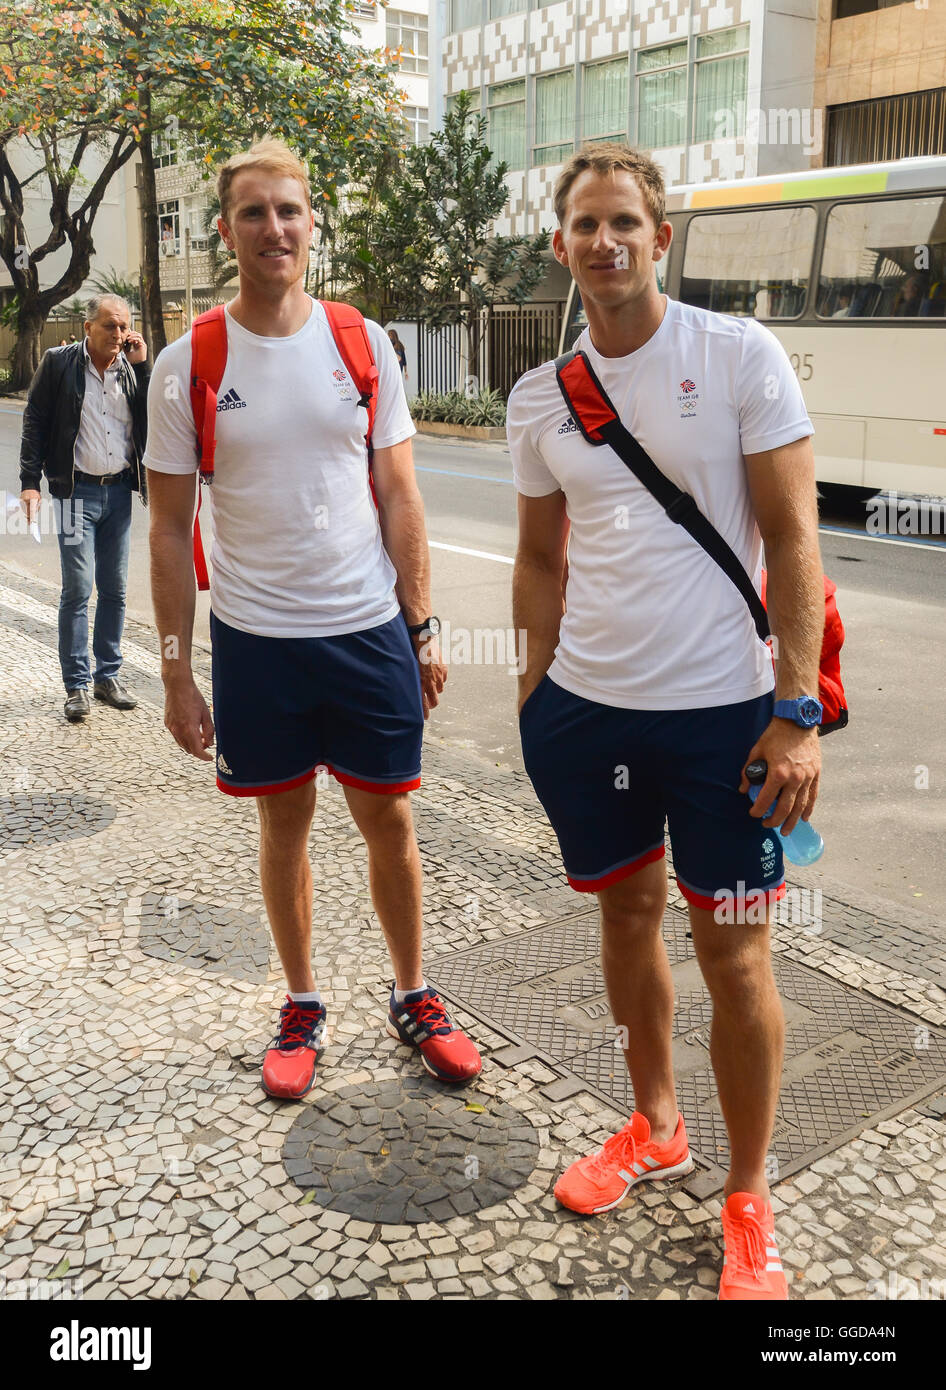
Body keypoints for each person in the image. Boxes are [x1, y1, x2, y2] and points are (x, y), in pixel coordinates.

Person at [508, 144, 824, 1301]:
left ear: (660, 236)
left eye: (625, 222)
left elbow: (792, 538)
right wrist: (535, 690)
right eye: (584, 224)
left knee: (734, 954)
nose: (605, 242)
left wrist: (796, 710)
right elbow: (539, 560)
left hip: (728, 722)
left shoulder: (736, 355)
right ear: (561, 245)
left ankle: (749, 1194)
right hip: (589, 719)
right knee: (627, 919)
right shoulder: (539, 397)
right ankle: (654, 1126)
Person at [144, 137, 481, 1101]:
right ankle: (301, 1004)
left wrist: (421, 626)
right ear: (226, 230)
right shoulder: (188, 362)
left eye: (288, 210)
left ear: (311, 222)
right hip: (256, 643)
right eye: (253, 212)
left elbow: (400, 494)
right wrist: (176, 670)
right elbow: (169, 530)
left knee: (391, 820)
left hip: (367, 631)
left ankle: (414, 994)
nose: (274, 228)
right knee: (283, 827)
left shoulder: (361, 341)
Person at [19, 294, 149, 721]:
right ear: (88, 326)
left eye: (124, 326)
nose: (119, 334)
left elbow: (151, 421)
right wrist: (29, 483)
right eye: (110, 326)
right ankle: (76, 685)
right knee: (78, 589)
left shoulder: (131, 370)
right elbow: (35, 419)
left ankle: (107, 676)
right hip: (76, 494)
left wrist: (144, 366)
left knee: (115, 589)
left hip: (118, 495)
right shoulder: (59, 363)